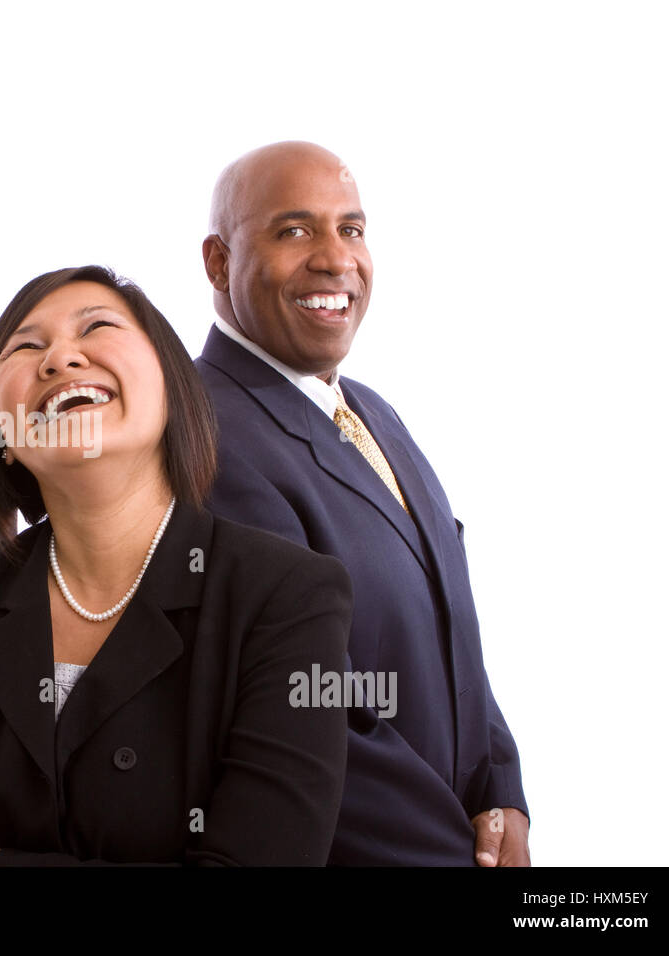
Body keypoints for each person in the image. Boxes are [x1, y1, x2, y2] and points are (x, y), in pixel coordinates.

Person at [0, 265, 353, 866]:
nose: (61, 359)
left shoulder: (288, 597)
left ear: (171, 389)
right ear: (3, 436)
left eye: (97, 328)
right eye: (26, 347)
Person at [196, 141, 530, 866]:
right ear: (219, 262)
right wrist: (454, 854)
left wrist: (501, 798)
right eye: (293, 231)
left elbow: (451, 625)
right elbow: (310, 712)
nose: (334, 257)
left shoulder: (372, 412)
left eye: (350, 228)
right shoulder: (205, 438)